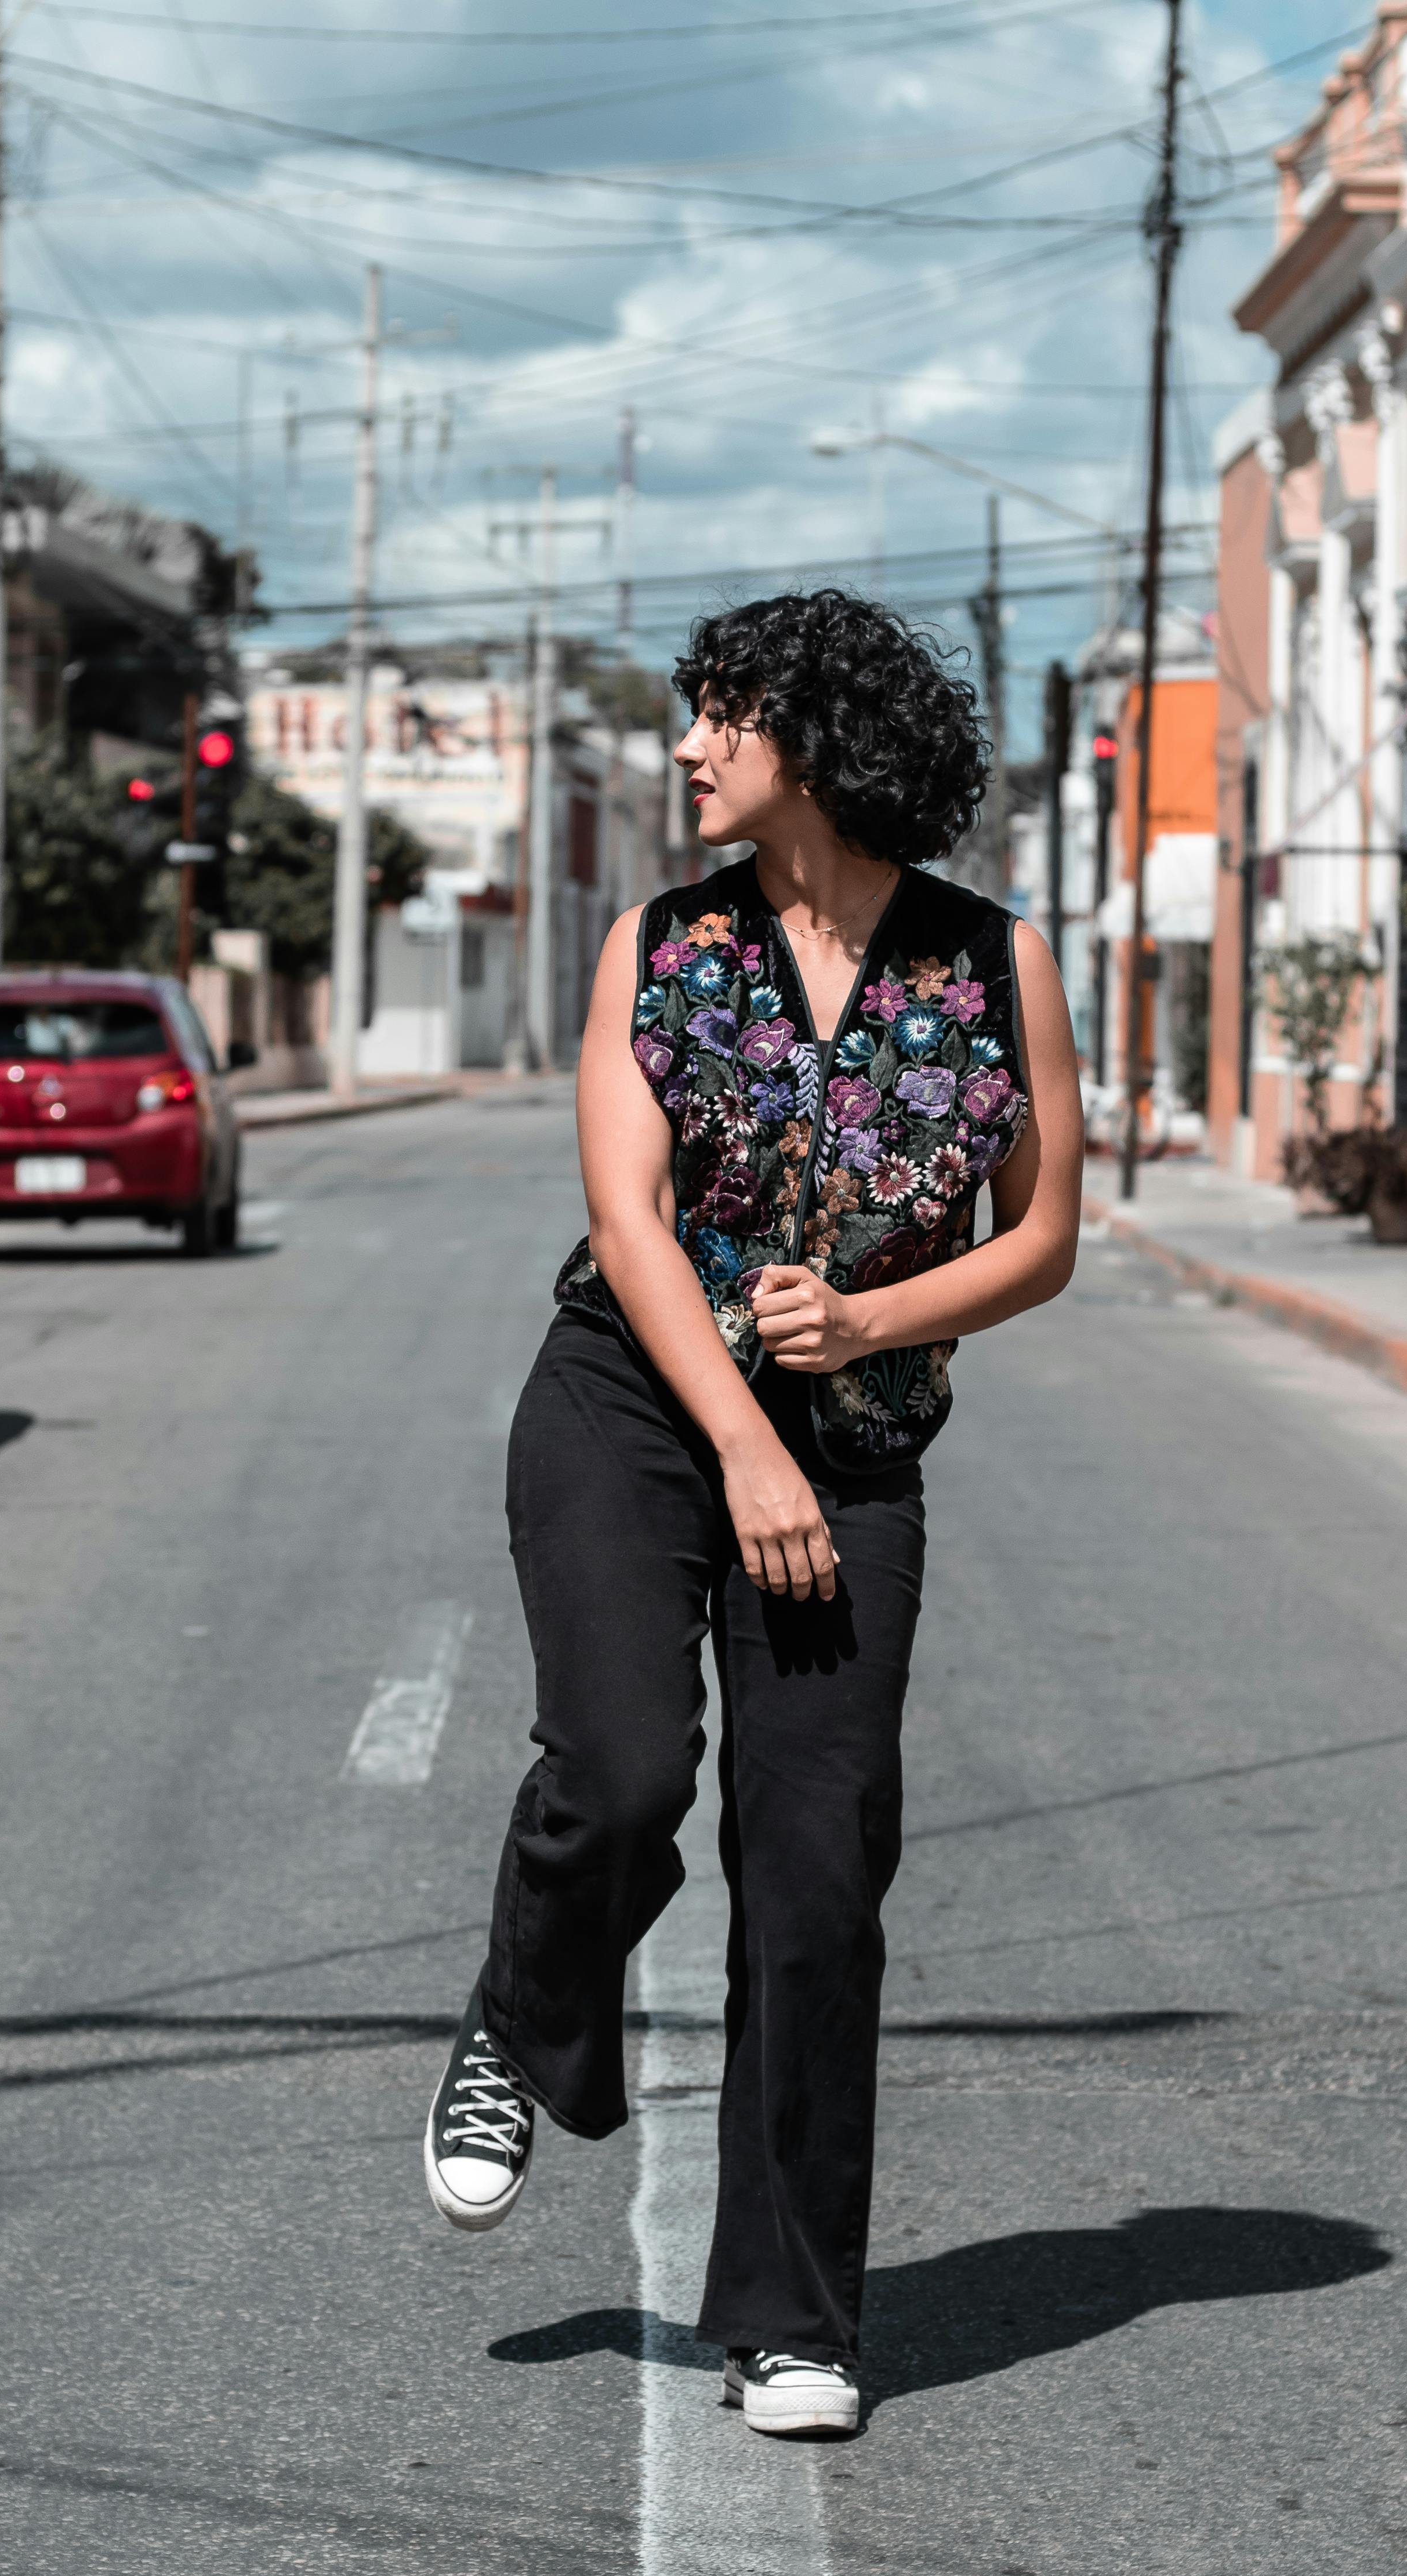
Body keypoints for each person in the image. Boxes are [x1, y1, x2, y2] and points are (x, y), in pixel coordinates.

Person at [424, 587, 1083, 2437]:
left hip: (855, 1436)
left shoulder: (993, 963)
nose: (691, 744)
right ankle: (521, 2013)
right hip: (635, 1404)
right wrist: (744, 1440)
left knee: (816, 1867)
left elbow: (1043, 1233)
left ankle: (797, 2316)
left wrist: (869, 1322)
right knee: (624, 1766)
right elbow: (629, 1224)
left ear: (822, 739)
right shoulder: (661, 943)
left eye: (724, 714)